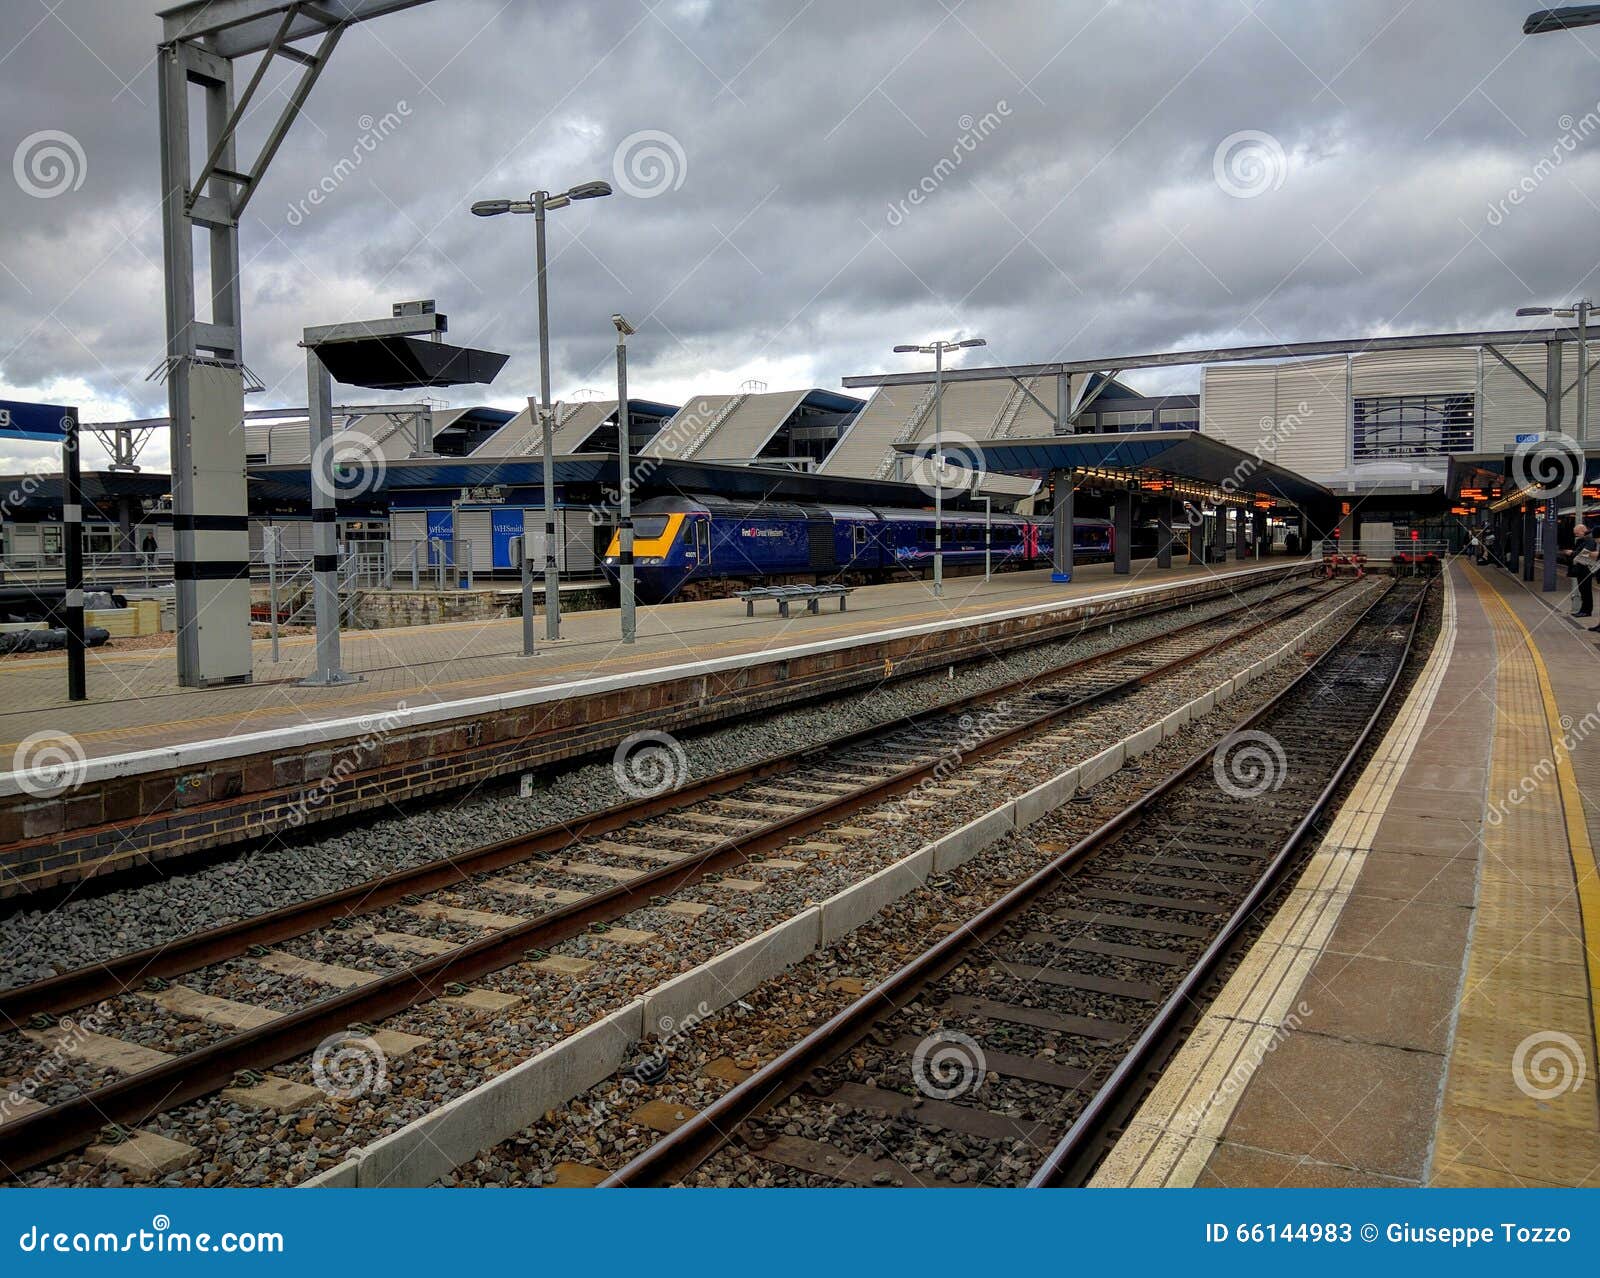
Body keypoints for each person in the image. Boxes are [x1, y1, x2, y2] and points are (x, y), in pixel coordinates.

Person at [1572, 523, 1597, 620]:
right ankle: (1583, 610)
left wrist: (1573, 554)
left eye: (1577, 533)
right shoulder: (1585, 539)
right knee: (1583, 590)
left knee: (1586, 590)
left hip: (1586, 568)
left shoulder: (1589, 539)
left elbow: (1586, 552)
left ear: (1583, 531)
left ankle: (1586, 611)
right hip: (1582, 568)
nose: (1576, 535)